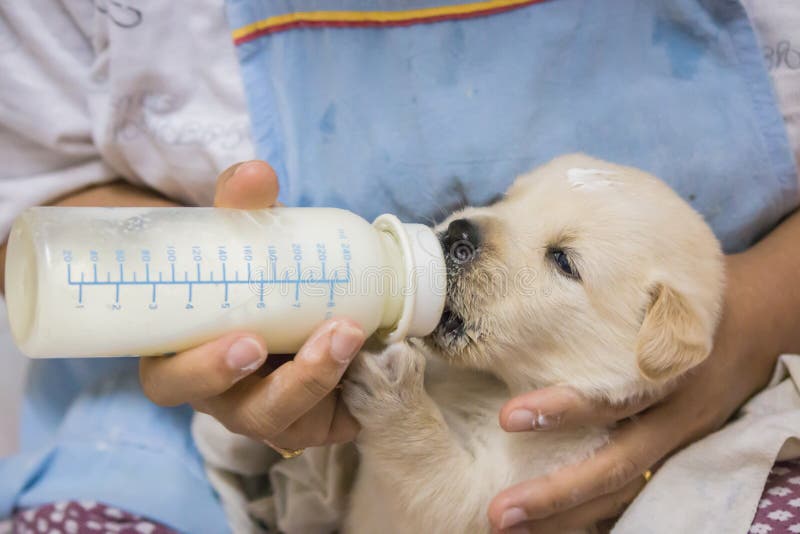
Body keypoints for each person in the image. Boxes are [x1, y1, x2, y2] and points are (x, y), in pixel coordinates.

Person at [0, 1, 798, 533]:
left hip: (725, 397)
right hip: (175, 427)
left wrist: (754, 320)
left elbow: (471, 506)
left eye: (561, 259)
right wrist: (198, 279)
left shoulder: (665, 345)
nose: (471, 230)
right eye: (507, 199)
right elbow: (32, 203)